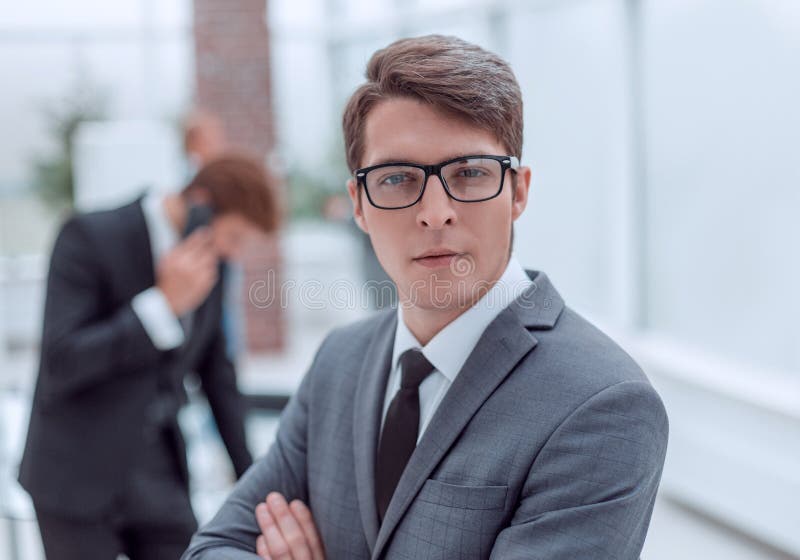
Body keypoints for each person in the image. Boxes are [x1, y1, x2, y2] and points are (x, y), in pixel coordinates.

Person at [183, 35, 669, 560]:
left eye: (469, 173)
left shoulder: (601, 402)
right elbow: (214, 547)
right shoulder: (339, 361)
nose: (435, 211)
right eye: (396, 178)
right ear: (359, 206)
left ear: (519, 192)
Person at [19, 153, 280, 559]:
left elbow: (217, 377)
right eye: (234, 238)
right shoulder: (88, 235)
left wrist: (254, 481)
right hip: (76, 474)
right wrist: (161, 306)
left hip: (159, 474)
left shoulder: (214, 261)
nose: (233, 254)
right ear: (200, 202)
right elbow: (61, 361)